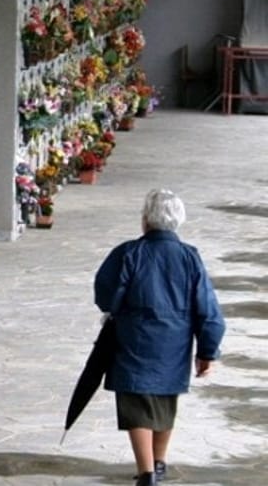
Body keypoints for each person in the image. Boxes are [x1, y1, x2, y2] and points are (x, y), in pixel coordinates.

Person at [94, 189, 225, 486]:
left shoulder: (129, 253)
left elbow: (106, 295)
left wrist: (118, 309)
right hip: (175, 342)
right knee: (166, 399)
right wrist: (207, 351)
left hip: (134, 337)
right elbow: (208, 308)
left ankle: (147, 472)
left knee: (135, 403)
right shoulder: (190, 257)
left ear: (146, 220)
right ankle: (159, 461)